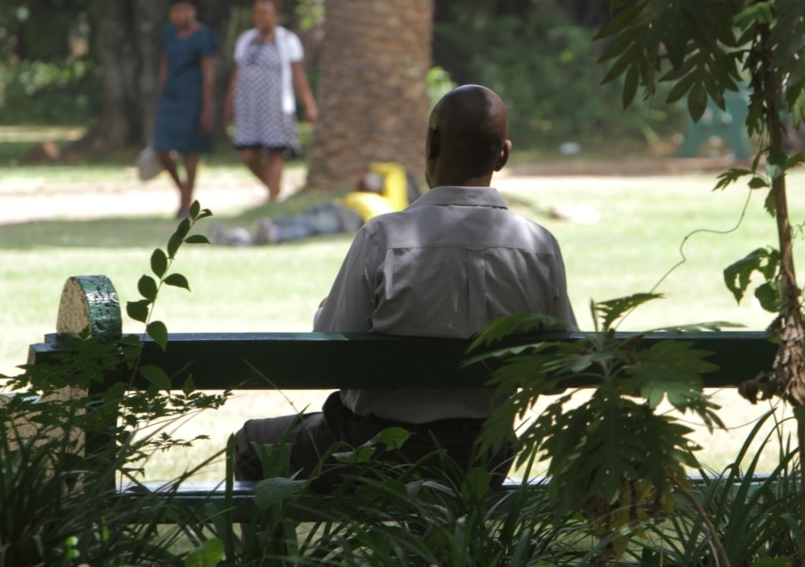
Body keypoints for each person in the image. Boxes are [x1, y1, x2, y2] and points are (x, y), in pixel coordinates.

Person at [232, 84, 577, 491]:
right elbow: (558, 371)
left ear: (431, 142)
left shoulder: (384, 239)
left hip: (375, 455)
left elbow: (331, 357)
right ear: (503, 154)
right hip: (482, 459)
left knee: (249, 445)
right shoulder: (538, 247)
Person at [223, 0, 318, 202]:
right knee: (249, 154)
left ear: (277, 15)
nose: (259, 17)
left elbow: (297, 76)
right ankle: (273, 188)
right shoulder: (246, 40)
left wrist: (309, 105)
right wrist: (229, 104)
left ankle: (272, 197)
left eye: (265, 13)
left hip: (275, 105)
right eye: (256, 12)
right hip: (249, 107)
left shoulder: (287, 41)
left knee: (276, 151)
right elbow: (237, 74)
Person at [206, 162, 419, 247]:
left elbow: (390, 170)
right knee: (299, 219)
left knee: (310, 225)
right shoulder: (371, 197)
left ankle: (274, 235)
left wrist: (370, 167)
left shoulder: (394, 194)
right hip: (339, 206)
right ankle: (246, 236)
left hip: (351, 216)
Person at [154, 0, 219, 218]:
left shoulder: (204, 36)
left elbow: (208, 72)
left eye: (185, 10)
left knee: (190, 152)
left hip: (194, 98)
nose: (181, 15)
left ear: (193, 11)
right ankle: (182, 190)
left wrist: (207, 107)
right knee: (161, 148)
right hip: (171, 98)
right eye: (177, 10)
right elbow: (164, 65)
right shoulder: (168, 34)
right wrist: (161, 94)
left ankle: (185, 202)